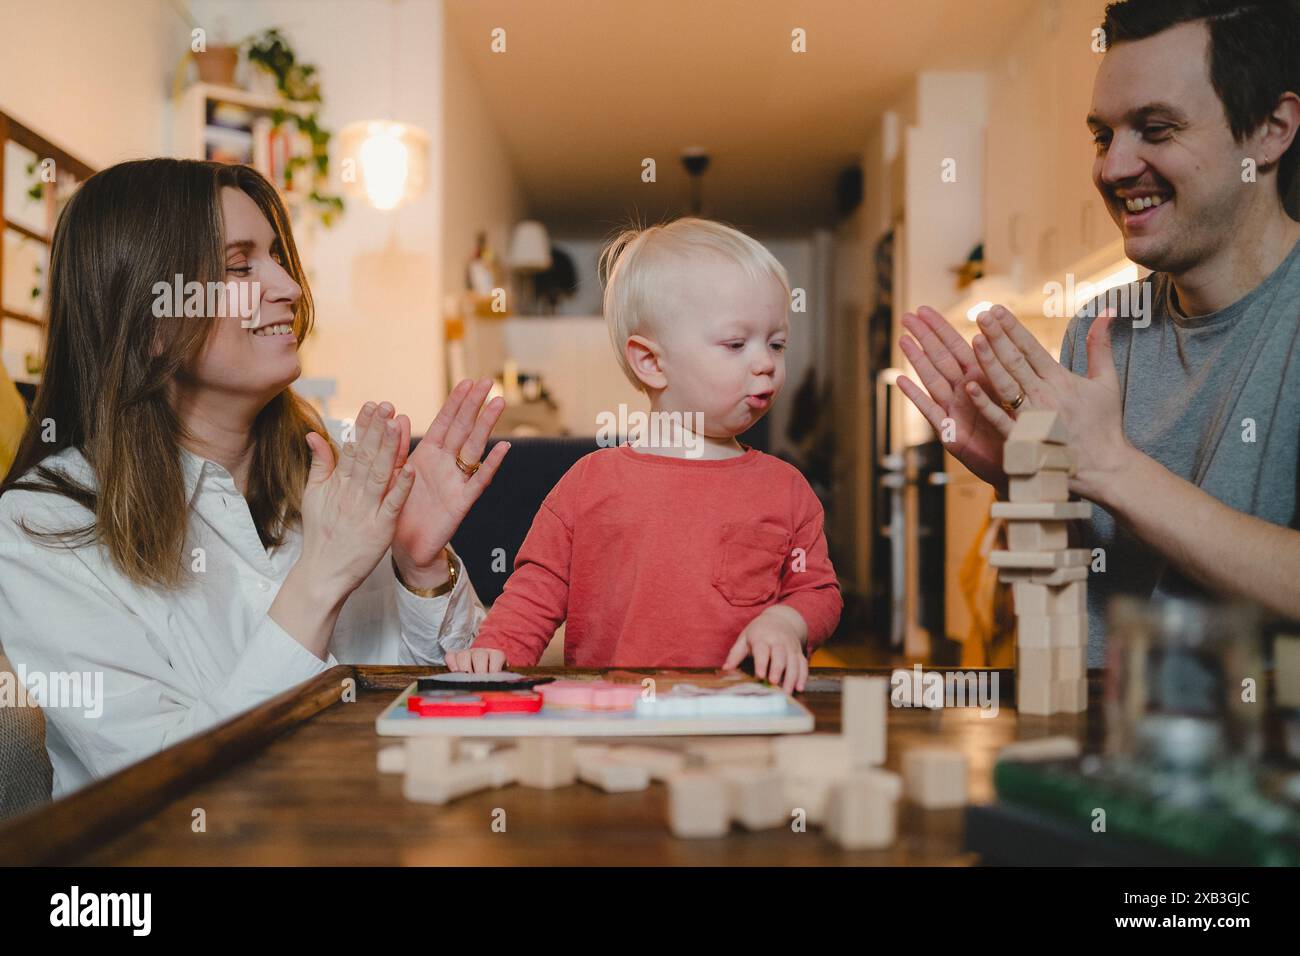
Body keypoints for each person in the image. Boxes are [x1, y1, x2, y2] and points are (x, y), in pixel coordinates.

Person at [0, 159, 507, 796]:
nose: (289, 287)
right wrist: (322, 578)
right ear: (151, 317)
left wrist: (421, 570)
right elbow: (169, 786)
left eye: (275, 256)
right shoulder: (44, 526)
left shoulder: (337, 469)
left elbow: (463, 702)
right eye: (240, 266)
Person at [897, 0, 1300, 665]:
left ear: (1271, 129)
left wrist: (1109, 468)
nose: (1113, 168)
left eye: (1156, 129)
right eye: (1103, 135)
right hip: (1093, 747)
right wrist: (1028, 482)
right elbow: (1080, 585)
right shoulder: (1101, 329)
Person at [447, 218, 842, 692]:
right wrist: (496, 651)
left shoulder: (786, 488)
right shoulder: (589, 483)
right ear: (651, 363)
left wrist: (787, 621)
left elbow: (817, 591)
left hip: (740, 721)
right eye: (736, 344)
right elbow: (536, 590)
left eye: (776, 344)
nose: (766, 363)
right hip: (612, 722)